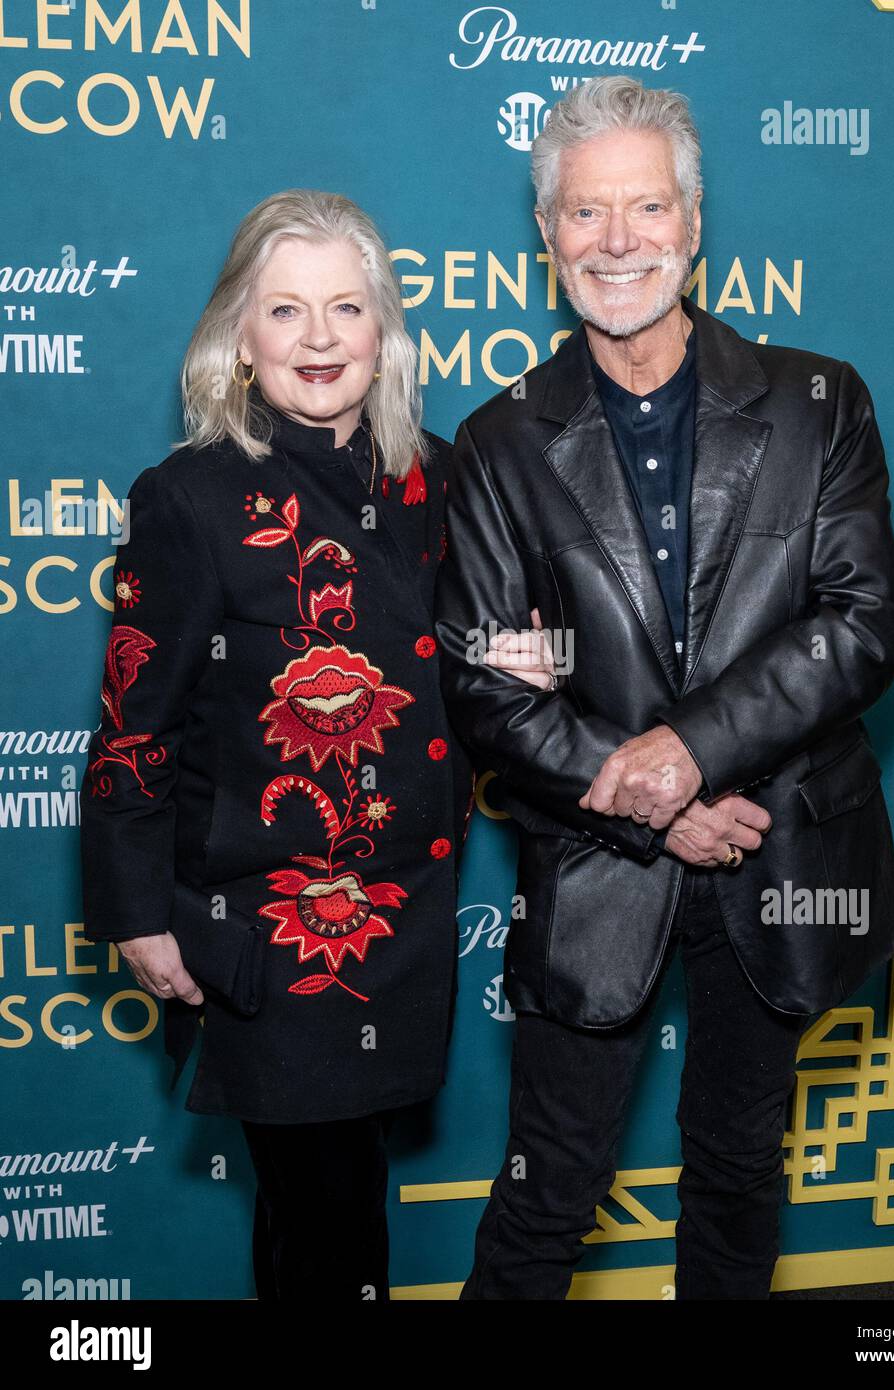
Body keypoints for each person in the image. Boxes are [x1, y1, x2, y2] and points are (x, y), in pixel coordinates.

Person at [434, 77, 894, 1300]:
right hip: (598, 870)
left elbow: (860, 623)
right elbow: (492, 692)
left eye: (645, 208)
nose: (617, 242)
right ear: (546, 238)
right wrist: (655, 799)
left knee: (740, 1168)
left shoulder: (818, 402)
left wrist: (685, 754)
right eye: (585, 215)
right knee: (547, 1197)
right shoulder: (494, 447)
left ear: (694, 224)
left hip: (782, 851)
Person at [78, 189, 551, 1302]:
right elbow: (131, 724)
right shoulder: (189, 498)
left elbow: (467, 649)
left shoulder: (438, 479)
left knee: (322, 1216)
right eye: (285, 312)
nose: (321, 338)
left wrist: (531, 659)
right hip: (274, 927)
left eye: (347, 307)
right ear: (237, 334)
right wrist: (139, 913)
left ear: (383, 328)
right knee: (330, 1223)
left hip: (402, 921)